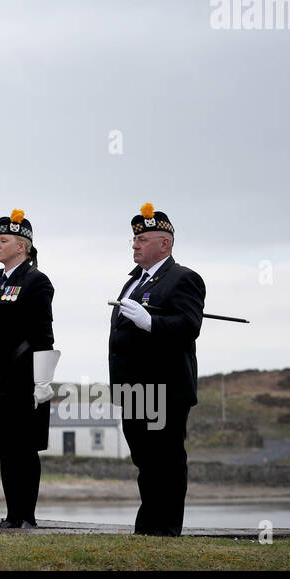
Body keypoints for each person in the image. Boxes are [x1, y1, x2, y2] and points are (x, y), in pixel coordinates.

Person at [108, 202, 205, 536]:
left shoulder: (183, 278)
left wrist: (152, 323)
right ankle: (149, 526)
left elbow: (189, 325)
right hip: (133, 389)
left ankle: (165, 529)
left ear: (165, 244)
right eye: (134, 239)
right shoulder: (134, 281)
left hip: (165, 388)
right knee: (145, 461)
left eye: (143, 239)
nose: (135, 244)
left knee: (166, 460)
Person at [0, 209, 57, 529]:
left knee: (23, 449)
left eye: (3, 240)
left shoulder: (36, 282)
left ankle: (26, 516)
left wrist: (42, 380)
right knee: (5, 450)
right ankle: (11, 515)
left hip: (23, 378)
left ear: (22, 246)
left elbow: (43, 334)